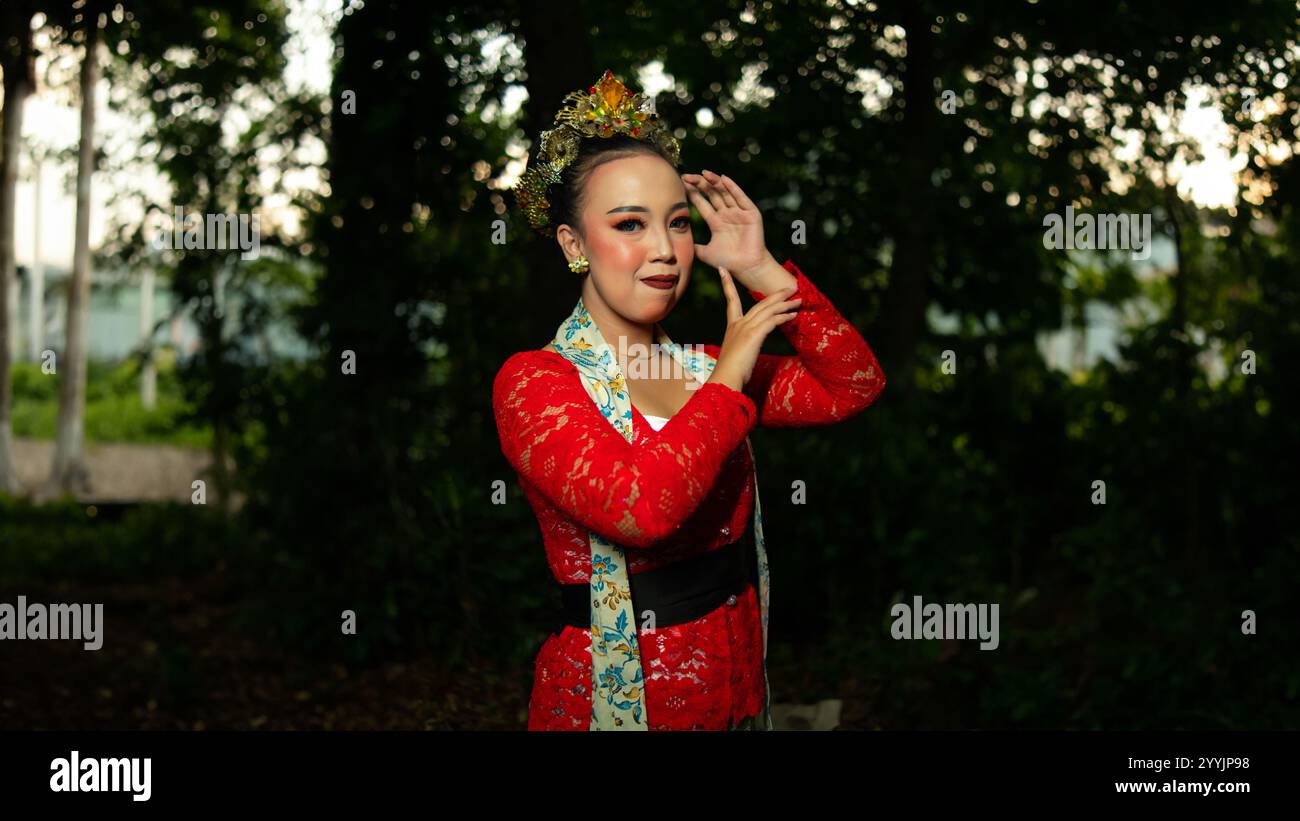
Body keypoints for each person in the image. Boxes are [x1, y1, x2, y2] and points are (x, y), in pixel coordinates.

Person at [493, 70, 886, 730]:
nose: (664, 250)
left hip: (738, 695)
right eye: (628, 223)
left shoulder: (705, 365)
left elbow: (853, 385)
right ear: (573, 244)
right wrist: (729, 378)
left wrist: (763, 271)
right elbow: (642, 510)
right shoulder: (535, 383)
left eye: (677, 223)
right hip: (612, 705)